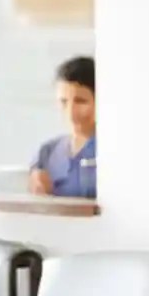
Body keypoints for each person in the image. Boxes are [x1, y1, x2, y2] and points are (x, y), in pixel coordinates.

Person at [29, 56, 96, 199]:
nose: (71, 113)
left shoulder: (115, 153)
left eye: (81, 101)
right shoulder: (47, 153)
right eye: (63, 101)